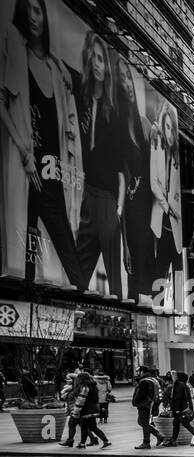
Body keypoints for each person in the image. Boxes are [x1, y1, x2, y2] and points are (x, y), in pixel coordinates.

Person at [1, 0, 84, 287]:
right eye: (28, 10)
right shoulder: (13, 48)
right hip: (25, 167)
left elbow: (68, 134)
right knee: (22, 261)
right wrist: (25, 153)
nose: (33, 17)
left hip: (51, 176)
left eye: (38, 10)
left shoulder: (56, 71)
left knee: (69, 257)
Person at [73, 31, 124, 299]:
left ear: (106, 65)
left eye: (101, 59)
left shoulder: (113, 114)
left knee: (115, 285)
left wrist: (117, 210)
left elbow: (120, 171)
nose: (97, 64)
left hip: (106, 199)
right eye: (92, 57)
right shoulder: (78, 96)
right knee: (77, 277)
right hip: (83, 194)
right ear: (87, 61)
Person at [115, 54, 152, 303]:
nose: (127, 85)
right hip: (130, 213)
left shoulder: (145, 124)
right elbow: (121, 191)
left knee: (149, 287)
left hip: (149, 213)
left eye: (129, 79)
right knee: (133, 287)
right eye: (121, 81)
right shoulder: (115, 127)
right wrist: (125, 245)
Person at [149, 103, 182, 297]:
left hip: (176, 226)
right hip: (162, 221)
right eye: (167, 127)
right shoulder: (157, 147)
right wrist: (168, 207)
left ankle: (178, 306)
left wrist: (173, 208)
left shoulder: (176, 155)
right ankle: (157, 304)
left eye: (172, 128)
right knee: (159, 271)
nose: (170, 133)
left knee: (178, 272)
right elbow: (154, 183)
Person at [163, 369, 194, 446]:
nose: (172, 377)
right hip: (182, 408)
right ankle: (173, 440)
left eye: (174, 375)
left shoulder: (179, 385)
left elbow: (178, 397)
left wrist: (176, 409)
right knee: (176, 423)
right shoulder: (182, 384)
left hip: (181, 409)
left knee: (185, 424)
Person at [131, 366, 163, 449]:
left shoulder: (144, 381)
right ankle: (158, 435)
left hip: (145, 405)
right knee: (142, 422)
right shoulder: (151, 379)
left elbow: (142, 394)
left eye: (138, 371)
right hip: (150, 404)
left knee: (144, 423)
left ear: (142, 371)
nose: (137, 373)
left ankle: (146, 442)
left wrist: (136, 401)